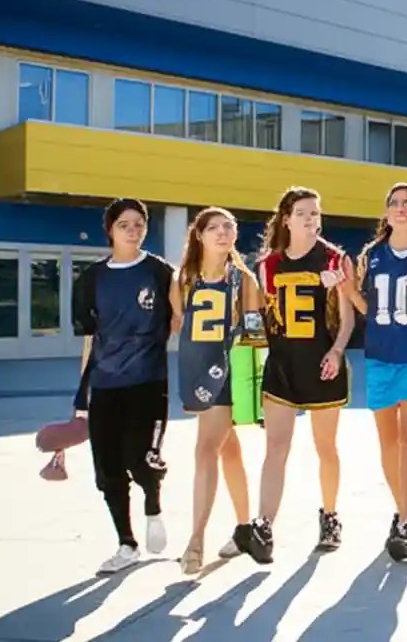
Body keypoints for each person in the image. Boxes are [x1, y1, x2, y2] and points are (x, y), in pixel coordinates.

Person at [236, 187, 355, 564]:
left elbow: (349, 316)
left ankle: (330, 515)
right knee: (276, 447)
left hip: (323, 364)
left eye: (316, 213)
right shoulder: (268, 264)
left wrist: (336, 350)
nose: (311, 220)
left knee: (326, 447)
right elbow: (260, 319)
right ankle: (265, 524)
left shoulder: (336, 259)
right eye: (303, 213)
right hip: (282, 365)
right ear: (286, 218)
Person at [340, 183, 407, 561]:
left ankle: (406, 519)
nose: (401, 208)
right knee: (387, 441)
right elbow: (366, 309)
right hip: (380, 354)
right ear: (385, 212)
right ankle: (400, 506)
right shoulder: (370, 256)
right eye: (394, 203)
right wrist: (347, 288)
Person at [71, 198, 175, 575]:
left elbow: (177, 318)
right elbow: (89, 340)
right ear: (110, 230)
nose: (132, 230)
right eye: (124, 224)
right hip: (105, 385)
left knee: (140, 459)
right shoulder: (91, 279)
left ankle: (153, 502)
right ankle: (126, 544)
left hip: (148, 383)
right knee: (108, 471)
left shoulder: (160, 272)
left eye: (139, 224)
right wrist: (81, 397)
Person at [170, 207, 260, 574]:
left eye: (229, 227)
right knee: (228, 451)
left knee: (206, 449)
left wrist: (254, 393)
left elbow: (255, 337)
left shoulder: (244, 280)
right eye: (214, 228)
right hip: (195, 372)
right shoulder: (182, 280)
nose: (223, 233)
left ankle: (195, 540)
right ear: (199, 234)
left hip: (228, 373)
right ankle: (245, 528)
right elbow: (176, 326)